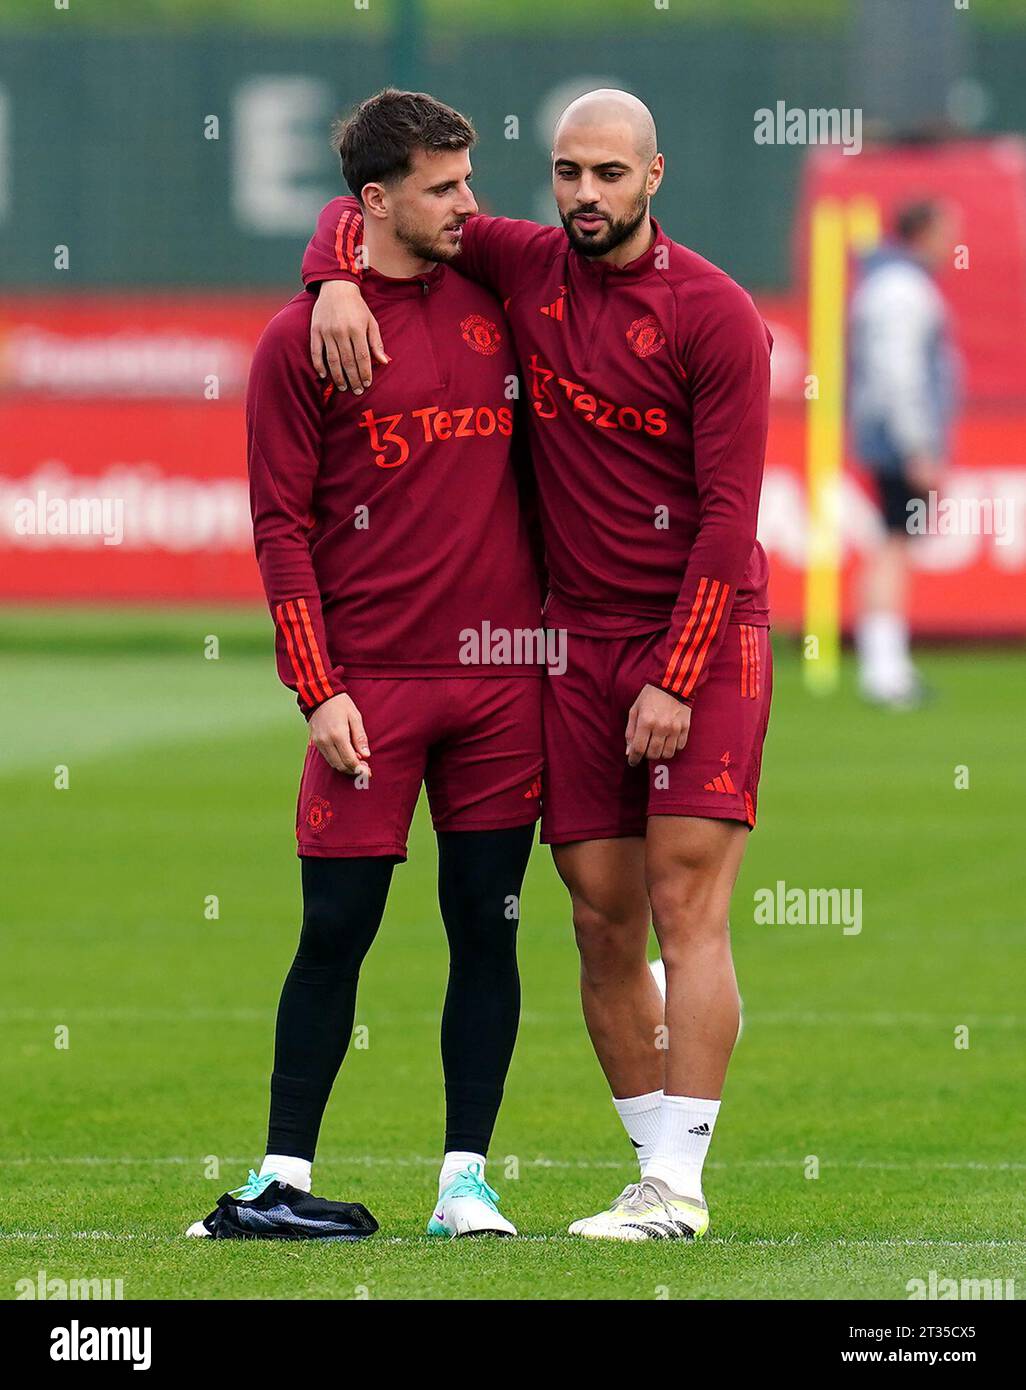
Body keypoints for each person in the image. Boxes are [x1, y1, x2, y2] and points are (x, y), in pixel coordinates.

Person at [303, 88, 773, 1241]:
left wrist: (677, 671)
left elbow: (729, 516)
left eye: (609, 174)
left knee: (682, 904)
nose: (585, 196)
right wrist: (328, 278)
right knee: (599, 916)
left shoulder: (716, 315)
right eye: (567, 173)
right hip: (572, 646)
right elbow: (379, 207)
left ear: (655, 175)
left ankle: (681, 1184)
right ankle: (652, 1171)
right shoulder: (524, 265)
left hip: (701, 643)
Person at [187, 89, 544, 1241]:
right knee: (334, 931)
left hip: (501, 681)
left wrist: (332, 261)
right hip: (369, 690)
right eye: (443, 189)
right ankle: (280, 1179)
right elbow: (280, 526)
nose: (468, 207)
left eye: (469, 181)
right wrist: (317, 686)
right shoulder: (304, 340)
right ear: (374, 203)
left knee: (485, 929)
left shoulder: (501, 294)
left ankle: (465, 1182)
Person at [849, 198, 959, 707]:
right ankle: (885, 668)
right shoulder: (903, 289)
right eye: (946, 231)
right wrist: (918, 446)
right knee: (894, 546)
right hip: (897, 438)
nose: (952, 244)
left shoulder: (886, 283)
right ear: (923, 233)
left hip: (887, 433)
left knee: (893, 545)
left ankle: (887, 662)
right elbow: (900, 373)